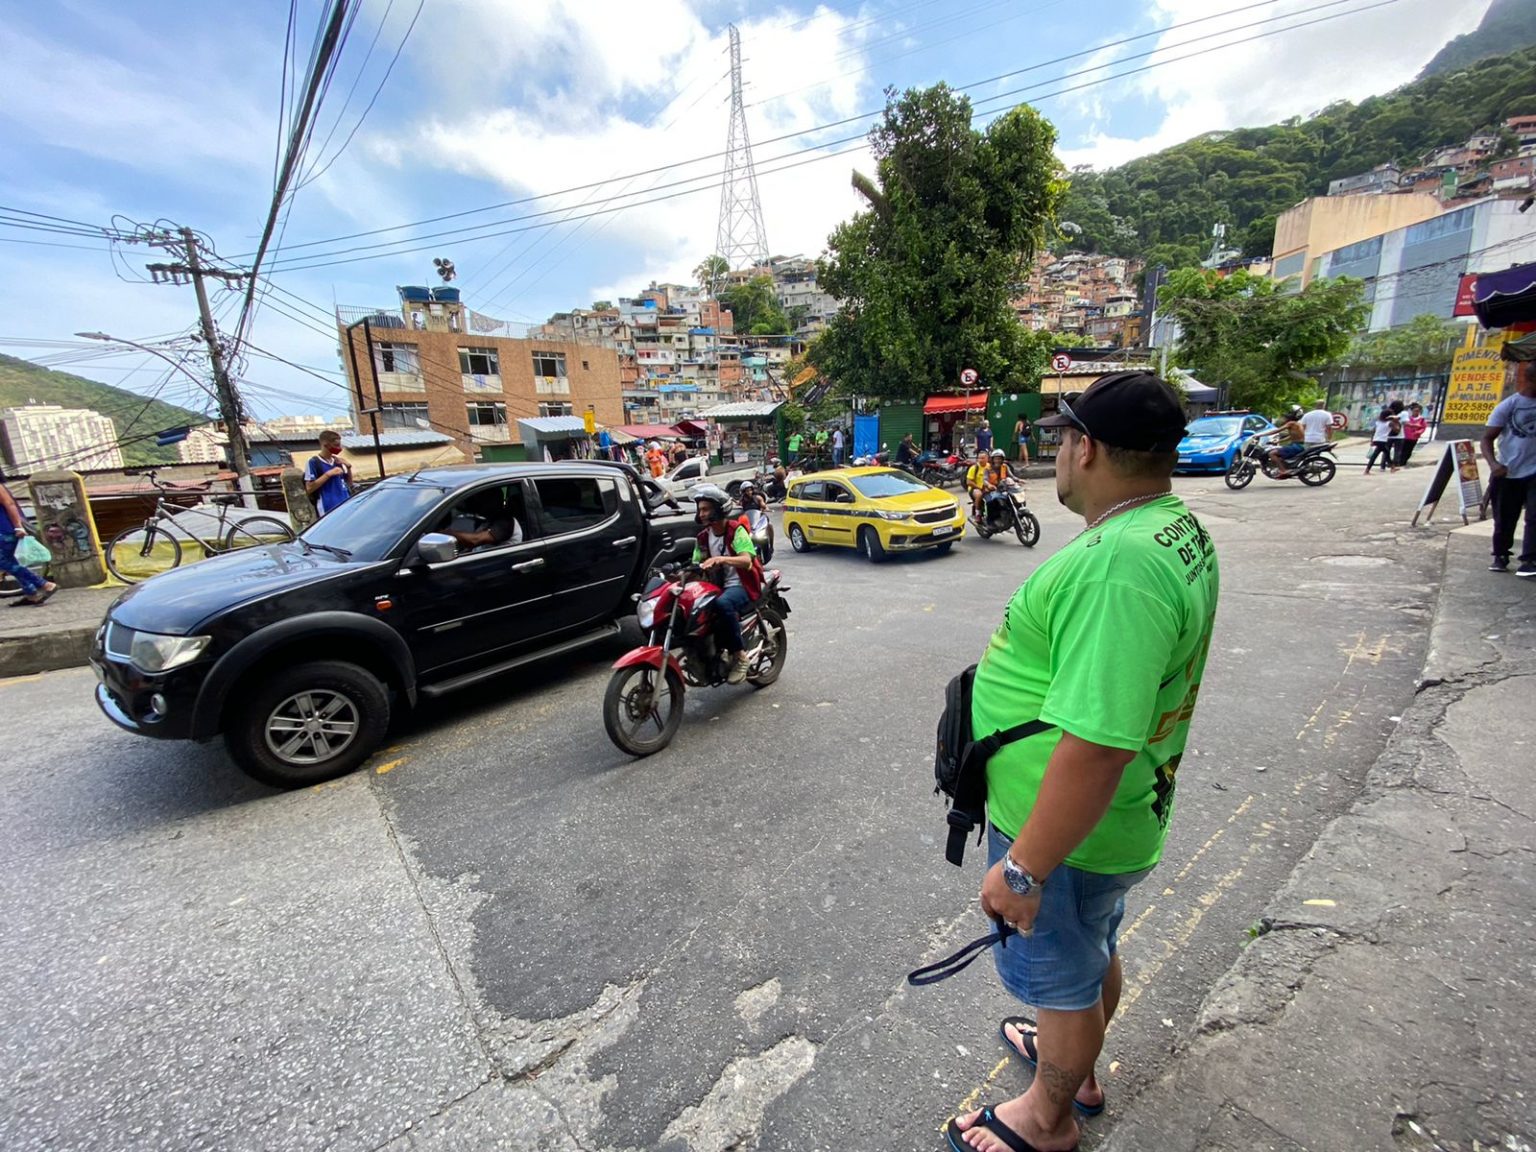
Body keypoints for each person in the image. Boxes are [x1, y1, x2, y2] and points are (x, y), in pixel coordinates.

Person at [947, 372, 1217, 1152]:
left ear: (1085, 447)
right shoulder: (1170, 527)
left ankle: (1049, 1116)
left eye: (1060, 437)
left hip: (1065, 837)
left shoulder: (1118, 568)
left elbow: (1099, 741)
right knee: (1089, 954)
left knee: (1062, 983)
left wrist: (1025, 867)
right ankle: (1079, 1069)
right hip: (1107, 826)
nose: (1056, 452)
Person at [689, 485, 759, 684]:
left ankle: (740, 656)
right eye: (700, 509)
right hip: (716, 586)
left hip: (742, 584)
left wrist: (721, 559)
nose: (701, 514)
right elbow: (697, 562)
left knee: (722, 604)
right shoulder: (702, 537)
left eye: (705, 509)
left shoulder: (736, 530)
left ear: (718, 509)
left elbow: (747, 561)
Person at [1481, 361, 1536, 576]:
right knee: (1505, 516)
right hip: (1509, 470)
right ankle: (1501, 554)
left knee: (1534, 515)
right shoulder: (1509, 406)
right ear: (1531, 380)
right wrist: (1494, 464)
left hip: (1534, 472)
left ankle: (1530, 559)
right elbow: (1486, 439)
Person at [0, 479, 57, 606]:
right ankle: (32, 594)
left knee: (4, 562)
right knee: (12, 563)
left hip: (5, 530)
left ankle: (45, 584)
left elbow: (9, 504)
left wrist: (18, 526)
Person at [445, 489, 523, 553]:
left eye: (482, 500)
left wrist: (447, 533)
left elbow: (474, 540)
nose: (478, 504)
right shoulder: (487, 521)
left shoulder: (506, 522)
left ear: (494, 501)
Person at [304, 431, 353, 515]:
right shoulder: (313, 462)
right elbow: (309, 488)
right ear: (325, 444)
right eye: (336, 445)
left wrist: (348, 467)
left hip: (345, 503)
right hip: (328, 507)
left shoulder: (337, 461)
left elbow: (349, 483)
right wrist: (328, 474)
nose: (339, 448)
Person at [1264, 406, 1307, 477]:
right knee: (1278, 452)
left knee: (1272, 453)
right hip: (1298, 445)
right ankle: (1284, 467)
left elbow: (1277, 430)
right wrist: (1278, 441)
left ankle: (1283, 471)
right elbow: (1291, 437)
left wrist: (1261, 435)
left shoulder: (1291, 423)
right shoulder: (1298, 424)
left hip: (1297, 446)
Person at [980, 448, 1012, 523]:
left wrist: (1019, 480)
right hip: (989, 491)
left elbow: (1011, 476)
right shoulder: (987, 469)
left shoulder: (1005, 467)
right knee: (990, 503)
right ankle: (991, 521)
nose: (998, 461)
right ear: (992, 460)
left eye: (1000, 459)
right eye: (996, 459)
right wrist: (989, 485)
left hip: (1002, 490)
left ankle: (1007, 515)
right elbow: (984, 480)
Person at [1363, 409, 1397, 475]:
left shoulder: (1378, 422)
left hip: (1377, 440)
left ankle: (1392, 467)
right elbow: (1396, 430)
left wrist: (1372, 440)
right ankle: (1367, 470)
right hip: (1383, 441)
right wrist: (1395, 421)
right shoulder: (1390, 423)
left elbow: (1374, 431)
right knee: (1385, 455)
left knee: (1383, 454)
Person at [1398, 402, 1428, 466]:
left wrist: (1418, 432)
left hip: (1414, 437)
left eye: (1417, 411)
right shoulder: (1408, 418)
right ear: (1412, 411)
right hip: (1405, 436)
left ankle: (1404, 462)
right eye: (1415, 411)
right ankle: (1400, 462)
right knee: (1403, 450)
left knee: (1409, 450)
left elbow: (1423, 428)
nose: (1416, 412)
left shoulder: (1421, 419)